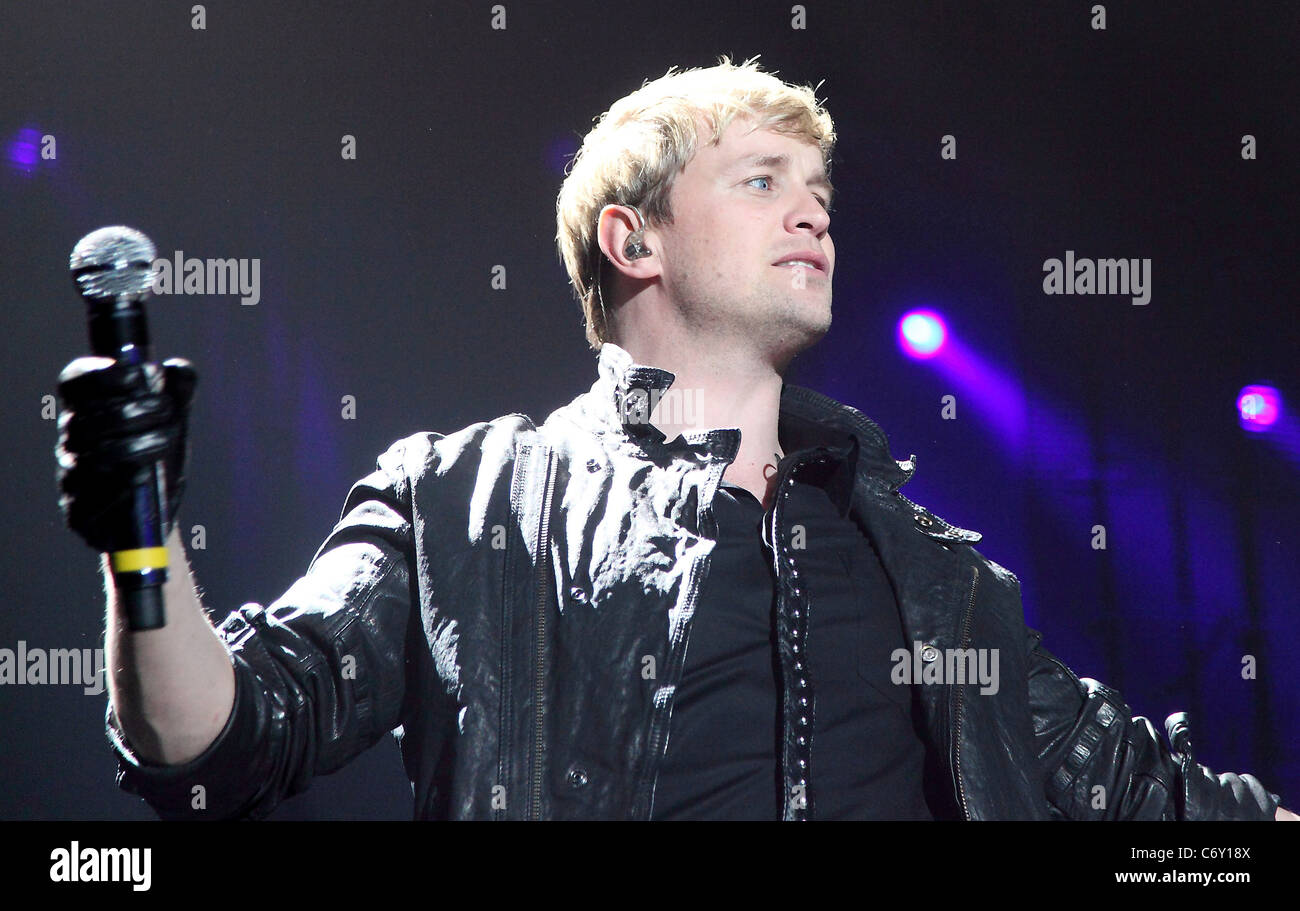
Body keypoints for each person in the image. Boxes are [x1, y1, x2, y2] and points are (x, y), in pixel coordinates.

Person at [56, 56, 1292, 821]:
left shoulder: (932, 567)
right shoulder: (467, 501)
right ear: (631, 240)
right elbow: (220, 743)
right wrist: (144, 550)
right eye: (759, 179)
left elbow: (1147, 799)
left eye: (817, 188)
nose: (811, 208)